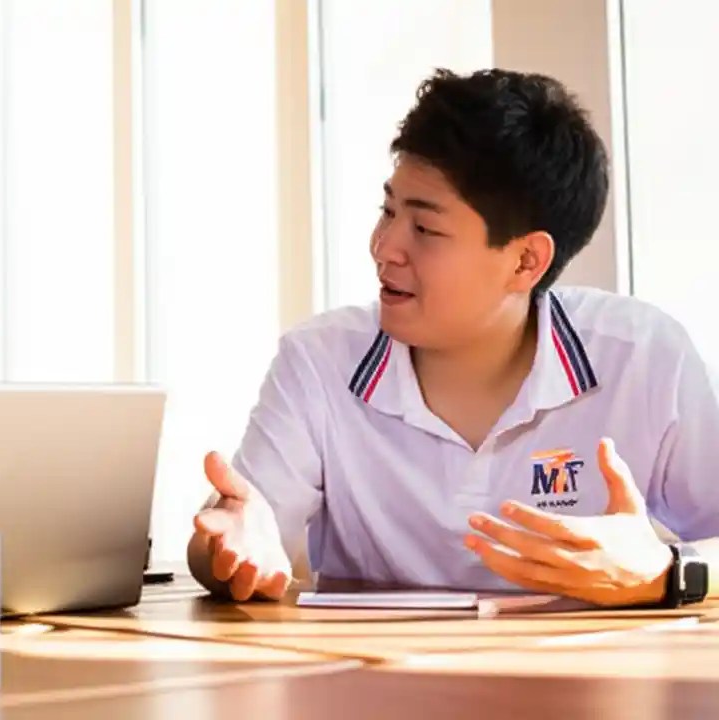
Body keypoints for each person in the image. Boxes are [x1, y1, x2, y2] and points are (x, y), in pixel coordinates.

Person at [189, 68, 719, 608]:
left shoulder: (645, 357)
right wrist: (224, 543)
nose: (384, 246)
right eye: (388, 211)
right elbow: (236, 535)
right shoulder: (319, 361)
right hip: (367, 681)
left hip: (586, 680)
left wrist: (668, 570)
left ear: (526, 261)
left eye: (425, 229)